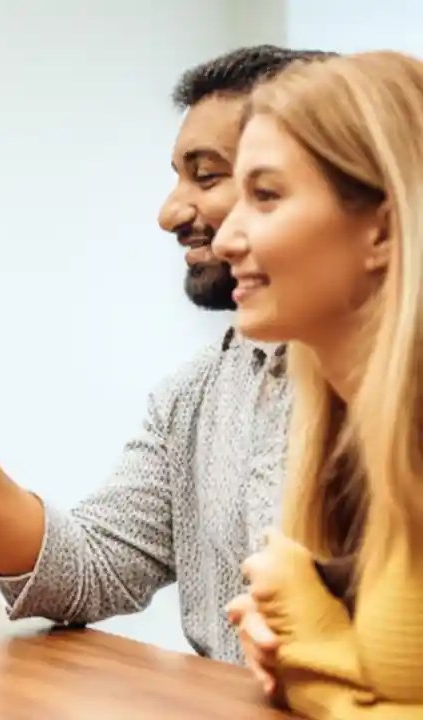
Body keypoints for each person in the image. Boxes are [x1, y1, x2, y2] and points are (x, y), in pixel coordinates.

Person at [0, 45, 332, 665]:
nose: (168, 213)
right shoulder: (198, 391)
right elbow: (88, 571)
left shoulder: (388, 389)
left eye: (208, 176)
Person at [216, 51, 423, 718]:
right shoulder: (343, 441)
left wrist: (313, 649)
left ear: (381, 231)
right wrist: (302, 649)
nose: (225, 239)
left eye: (266, 196)